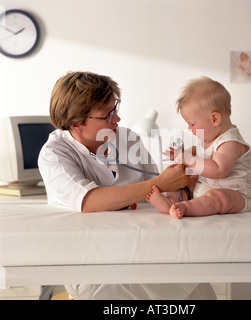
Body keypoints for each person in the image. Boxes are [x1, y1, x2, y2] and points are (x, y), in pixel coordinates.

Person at [38, 71, 217, 300]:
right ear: (76, 123)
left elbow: (158, 194)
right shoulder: (54, 154)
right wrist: (160, 182)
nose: (117, 120)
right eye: (107, 115)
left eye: (116, 109)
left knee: (194, 283)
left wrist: (182, 183)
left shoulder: (127, 139)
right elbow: (89, 201)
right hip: (91, 256)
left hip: (142, 244)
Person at [147, 76, 251, 219]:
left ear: (214, 119)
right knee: (182, 181)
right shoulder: (208, 137)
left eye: (192, 124)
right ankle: (171, 202)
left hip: (235, 193)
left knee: (218, 198)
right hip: (202, 189)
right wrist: (183, 153)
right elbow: (199, 150)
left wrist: (189, 159)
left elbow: (218, 170)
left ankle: (185, 207)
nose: (189, 128)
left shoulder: (231, 142)